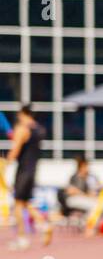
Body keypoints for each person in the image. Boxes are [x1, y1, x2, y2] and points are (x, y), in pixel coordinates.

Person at [6, 105, 52, 249]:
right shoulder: (39, 130)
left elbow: (15, 151)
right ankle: (44, 225)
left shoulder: (22, 129)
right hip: (33, 171)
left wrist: (5, 164)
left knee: (18, 205)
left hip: (23, 171)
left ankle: (21, 239)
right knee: (25, 203)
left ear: (24, 114)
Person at [59, 156, 98, 221]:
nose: (87, 168)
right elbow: (71, 191)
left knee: (97, 204)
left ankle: (88, 222)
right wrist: (85, 195)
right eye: (85, 166)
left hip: (85, 198)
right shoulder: (75, 177)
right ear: (81, 167)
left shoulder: (89, 178)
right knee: (93, 205)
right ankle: (89, 224)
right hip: (73, 199)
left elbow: (93, 191)